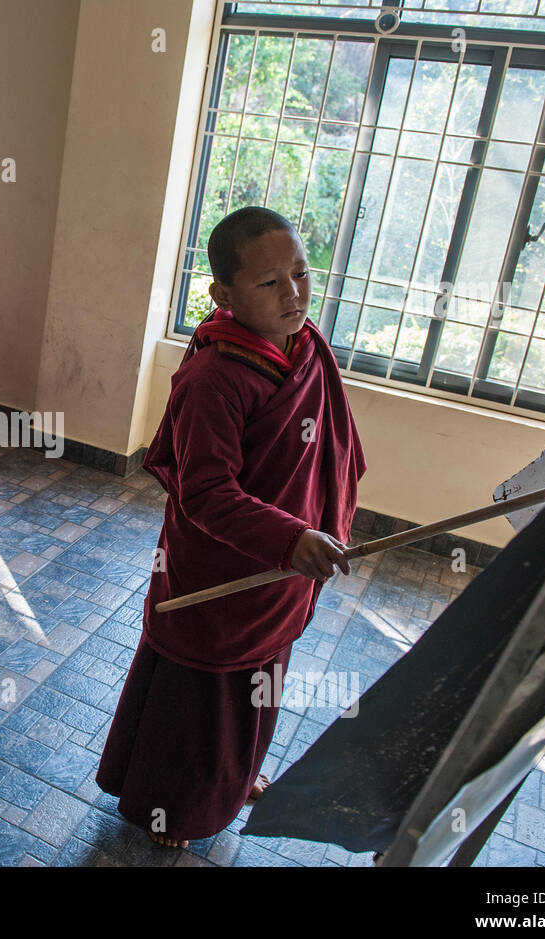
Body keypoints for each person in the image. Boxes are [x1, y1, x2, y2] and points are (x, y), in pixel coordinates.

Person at [95, 206, 366, 848]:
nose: (294, 293)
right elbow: (207, 494)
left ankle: (239, 774)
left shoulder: (306, 346)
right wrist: (290, 539)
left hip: (280, 567)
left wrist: (314, 524)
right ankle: (171, 808)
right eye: (271, 283)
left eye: (300, 273)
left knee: (260, 683)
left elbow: (334, 442)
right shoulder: (214, 379)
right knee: (201, 701)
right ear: (223, 294)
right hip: (226, 565)